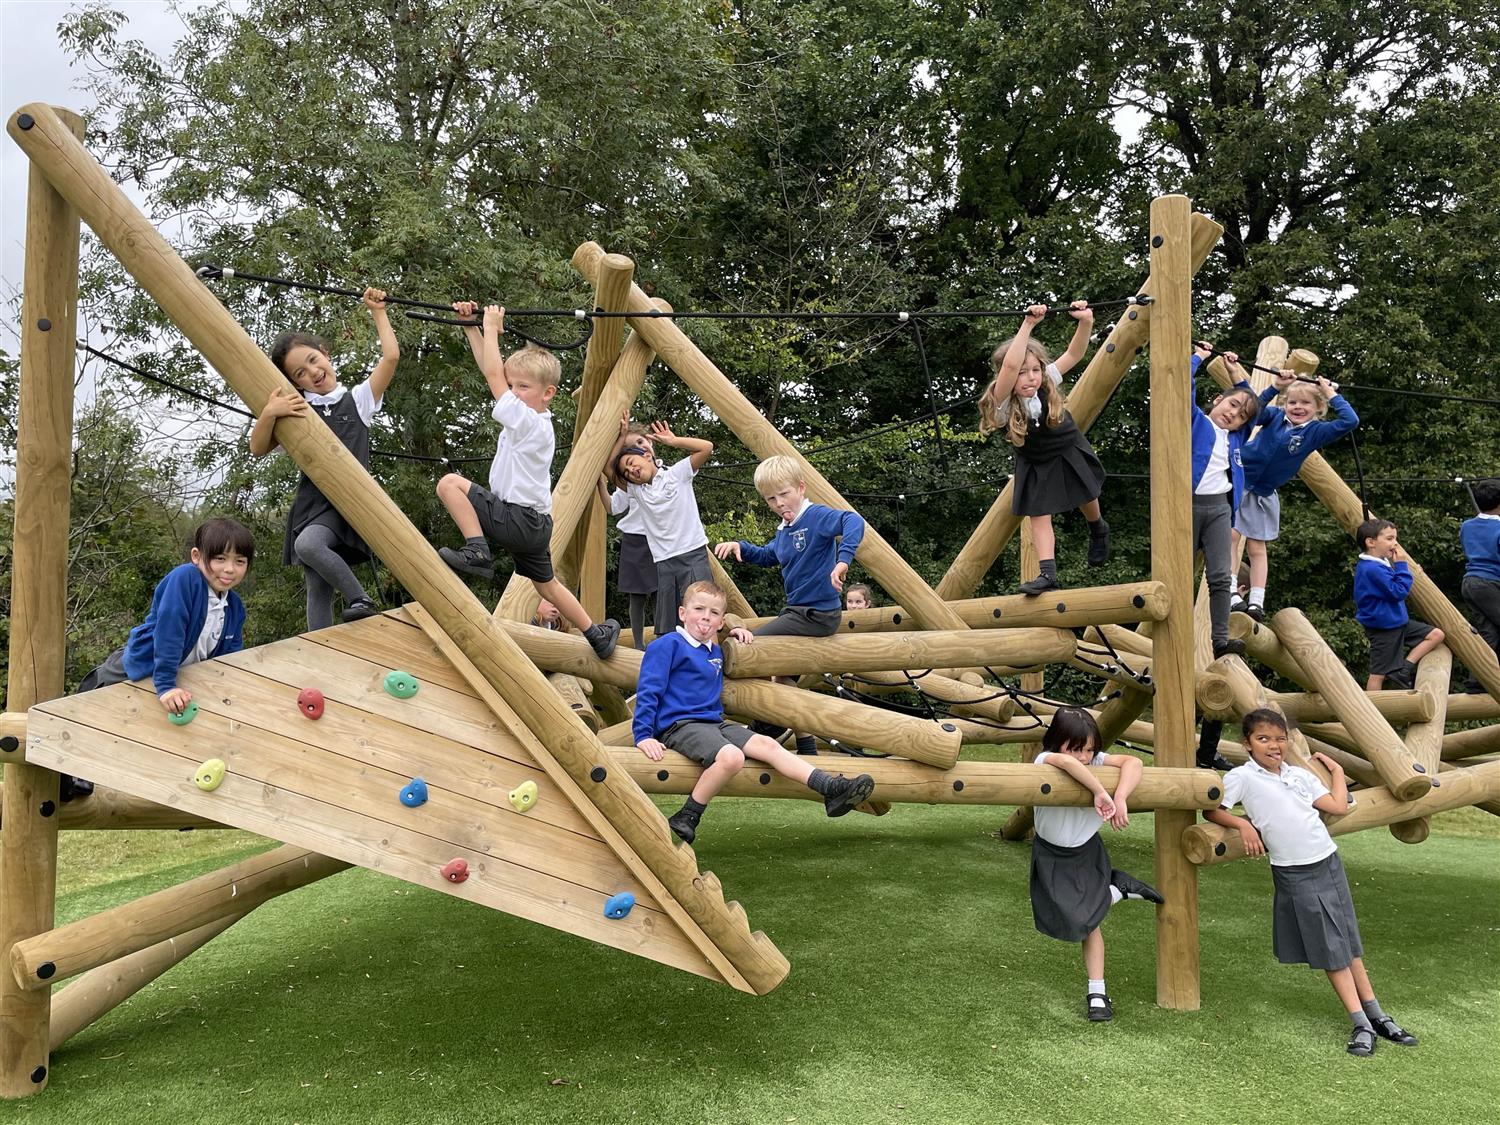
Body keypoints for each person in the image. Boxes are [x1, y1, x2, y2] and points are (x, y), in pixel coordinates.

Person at [1205, 709, 1419, 1057]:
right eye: (1263, 739)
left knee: (1347, 942)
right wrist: (1243, 825)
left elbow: (1337, 805)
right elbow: (1212, 809)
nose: (1274, 746)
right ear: (1247, 743)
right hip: (1293, 871)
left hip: (1328, 863)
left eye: (1280, 739)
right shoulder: (1242, 777)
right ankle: (1361, 1023)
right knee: (1330, 947)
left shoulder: (1298, 775)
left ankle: (1378, 1015)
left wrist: (1338, 772)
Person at [435, 304, 620, 659]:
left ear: (547, 393)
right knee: (547, 586)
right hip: (537, 524)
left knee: (449, 484)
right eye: (512, 386)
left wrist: (490, 326)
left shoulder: (529, 423)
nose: (513, 392)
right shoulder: (529, 419)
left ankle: (477, 550)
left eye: (522, 386)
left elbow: (493, 375)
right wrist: (471, 327)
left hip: (518, 517)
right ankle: (595, 633)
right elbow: (492, 372)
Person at [633, 580, 876, 844]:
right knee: (732, 757)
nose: (705, 617)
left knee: (768, 744)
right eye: (698, 609)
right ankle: (688, 815)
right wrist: (643, 735)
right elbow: (649, 690)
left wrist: (737, 632)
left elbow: (727, 643)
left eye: (714, 613)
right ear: (682, 613)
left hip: (713, 724)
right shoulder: (667, 645)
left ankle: (829, 788)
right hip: (679, 726)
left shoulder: (714, 651)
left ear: (720, 622)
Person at [67, 518, 256, 802]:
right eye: (219, 558)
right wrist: (165, 685)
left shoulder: (234, 606)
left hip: (179, 680)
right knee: (88, 712)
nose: (229, 569)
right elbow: (170, 631)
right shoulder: (186, 579)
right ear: (197, 556)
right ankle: (68, 775)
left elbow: (229, 662)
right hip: (139, 667)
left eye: (239, 561)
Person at [252, 288, 396, 630]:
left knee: (308, 545)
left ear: (325, 354)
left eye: (313, 360)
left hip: (345, 502)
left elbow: (390, 358)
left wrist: (378, 312)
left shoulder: (358, 400)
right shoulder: (297, 411)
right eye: (300, 373)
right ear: (294, 383)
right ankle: (321, 644)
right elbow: (257, 448)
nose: (312, 372)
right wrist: (269, 412)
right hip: (311, 504)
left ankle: (360, 598)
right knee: (316, 586)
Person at [714, 454, 865, 754]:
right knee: (783, 678)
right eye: (771, 499)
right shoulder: (785, 529)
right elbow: (770, 555)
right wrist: (740, 547)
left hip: (816, 614)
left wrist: (843, 560)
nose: (779, 503)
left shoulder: (815, 517)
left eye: (784, 494)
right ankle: (806, 745)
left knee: (751, 648)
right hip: (798, 613)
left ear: (801, 488)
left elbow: (853, 520)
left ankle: (768, 723)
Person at [1028, 707, 1162, 1022]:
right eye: (1076, 748)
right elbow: (1065, 763)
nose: (1085, 757)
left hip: (1086, 851)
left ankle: (1097, 993)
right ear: (1057, 741)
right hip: (1050, 853)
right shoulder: (1045, 760)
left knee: (1087, 924)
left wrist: (1121, 797)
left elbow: (1134, 762)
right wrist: (1099, 790)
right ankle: (1117, 890)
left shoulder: (1097, 761)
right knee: (1058, 915)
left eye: (1090, 749)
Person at [978, 301, 1108, 595]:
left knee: (1086, 493)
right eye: (1023, 372)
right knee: (1038, 513)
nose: (1032, 377)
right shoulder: (1002, 401)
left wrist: (1085, 321)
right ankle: (1048, 573)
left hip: (1067, 446)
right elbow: (1011, 365)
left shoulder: (1046, 381)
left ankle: (1098, 527)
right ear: (1007, 377)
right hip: (1035, 459)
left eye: (1036, 370)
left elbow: (1074, 354)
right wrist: (1027, 325)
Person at [1234, 372, 1359, 620]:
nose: (1298, 407)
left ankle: (1256, 601)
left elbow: (1350, 421)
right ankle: (1230, 591)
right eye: (1292, 402)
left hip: (1263, 492)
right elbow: (1252, 410)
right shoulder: (1274, 416)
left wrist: (1330, 393)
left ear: (1318, 407)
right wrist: (1275, 387)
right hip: (1239, 481)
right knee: (1231, 535)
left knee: (1257, 546)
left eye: (1305, 403)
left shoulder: (1315, 432)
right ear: (1284, 404)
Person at [1189, 343, 1269, 658]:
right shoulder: (1196, 421)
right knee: (1178, 572)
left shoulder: (1235, 436)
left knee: (1222, 577)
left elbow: (1255, 408)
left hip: (1219, 510)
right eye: (1231, 405)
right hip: (1186, 507)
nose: (1233, 414)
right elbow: (1182, 387)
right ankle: (1175, 633)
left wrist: (1236, 372)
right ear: (1217, 399)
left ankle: (1220, 640)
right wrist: (1198, 357)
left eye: (1239, 416)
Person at [604, 415, 713, 643]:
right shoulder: (637, 491)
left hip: (692, 554)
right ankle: (668, 655)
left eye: (632, 462)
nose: (631, 470)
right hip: (664, 561)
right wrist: (621, 436)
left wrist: (674, 441)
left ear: (647, 455)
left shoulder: (677, 474)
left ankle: (707, 657)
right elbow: (609, 469)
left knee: (702, 613)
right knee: (668, 623)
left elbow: (706, 447)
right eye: (626, 471)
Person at [1352, 518, 1444, 690]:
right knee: (1378, 674)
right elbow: (1398, 591)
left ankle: (1404, 670)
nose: (1395, 543)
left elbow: (1393, 580)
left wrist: (1408, 571)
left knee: (1436, 635)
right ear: (1371, 542)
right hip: (1383, 628)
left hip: (1397, 622)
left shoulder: (1381, 562)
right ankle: (1371, 707)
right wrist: (1402, 565)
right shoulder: (1371, 568)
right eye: (1389, 538)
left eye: (1395, 538)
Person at [604, 422, 660, 648]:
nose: (639, 446)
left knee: (660, 594)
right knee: (637, 597)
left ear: (650, 441)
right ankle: (638, 644)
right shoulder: (629, 478)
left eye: (640, 441)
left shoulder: (666, 472)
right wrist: (600, 485)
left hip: (661, 539)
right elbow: (613, 507)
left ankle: (662, 639)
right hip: (636, 540)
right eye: (629, 447)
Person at [1460, 477, 1500, 694]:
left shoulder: (1467, 526)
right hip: (1490, 583)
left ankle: (1476, 681)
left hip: (1471, 582)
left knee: (1489, 632)